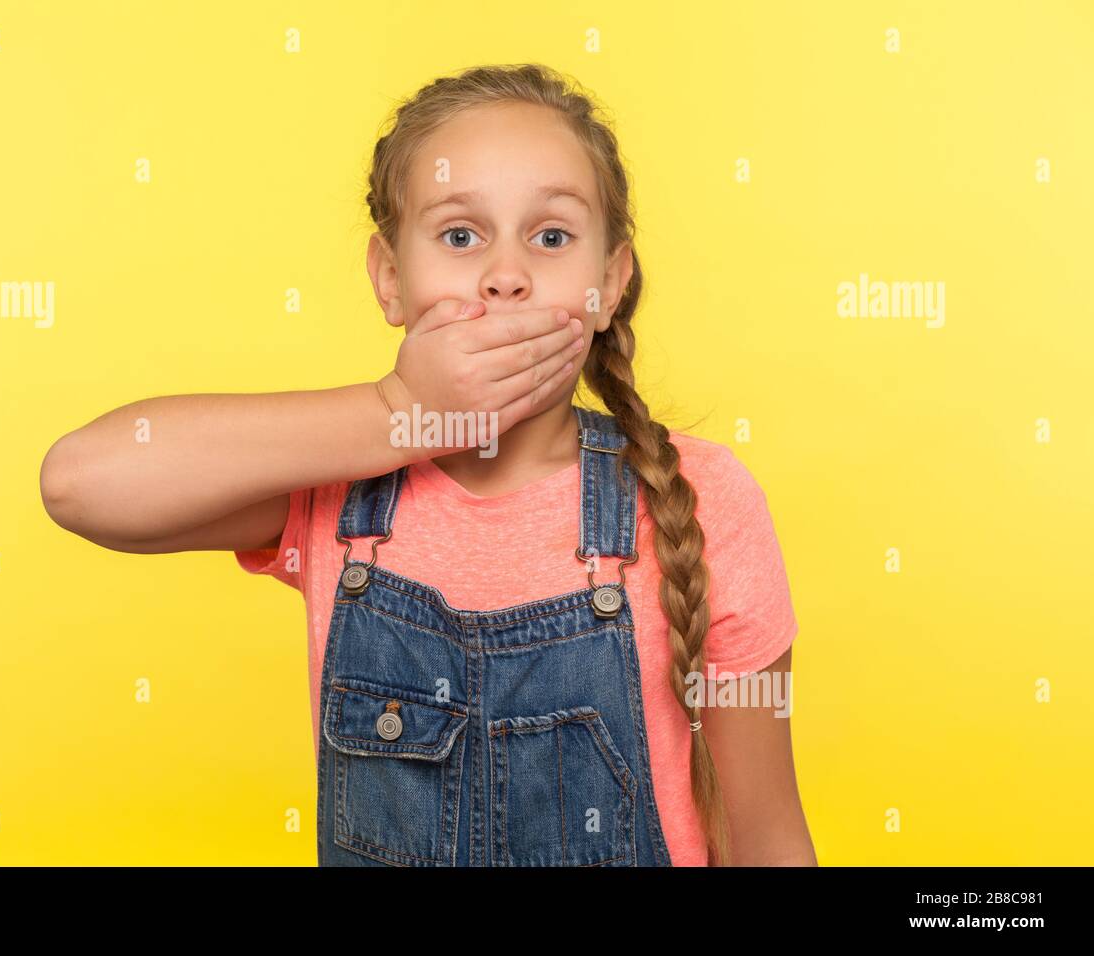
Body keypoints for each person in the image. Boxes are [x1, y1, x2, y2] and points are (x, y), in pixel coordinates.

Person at [40, 62, 814, 867]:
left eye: (551, 237)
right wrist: (398, 410)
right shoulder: (334, 491)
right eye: (458, 236)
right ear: (389, 280)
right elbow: (80, 482)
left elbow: (766, 842)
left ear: (609, 283)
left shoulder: (702, 500)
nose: (505, 276)